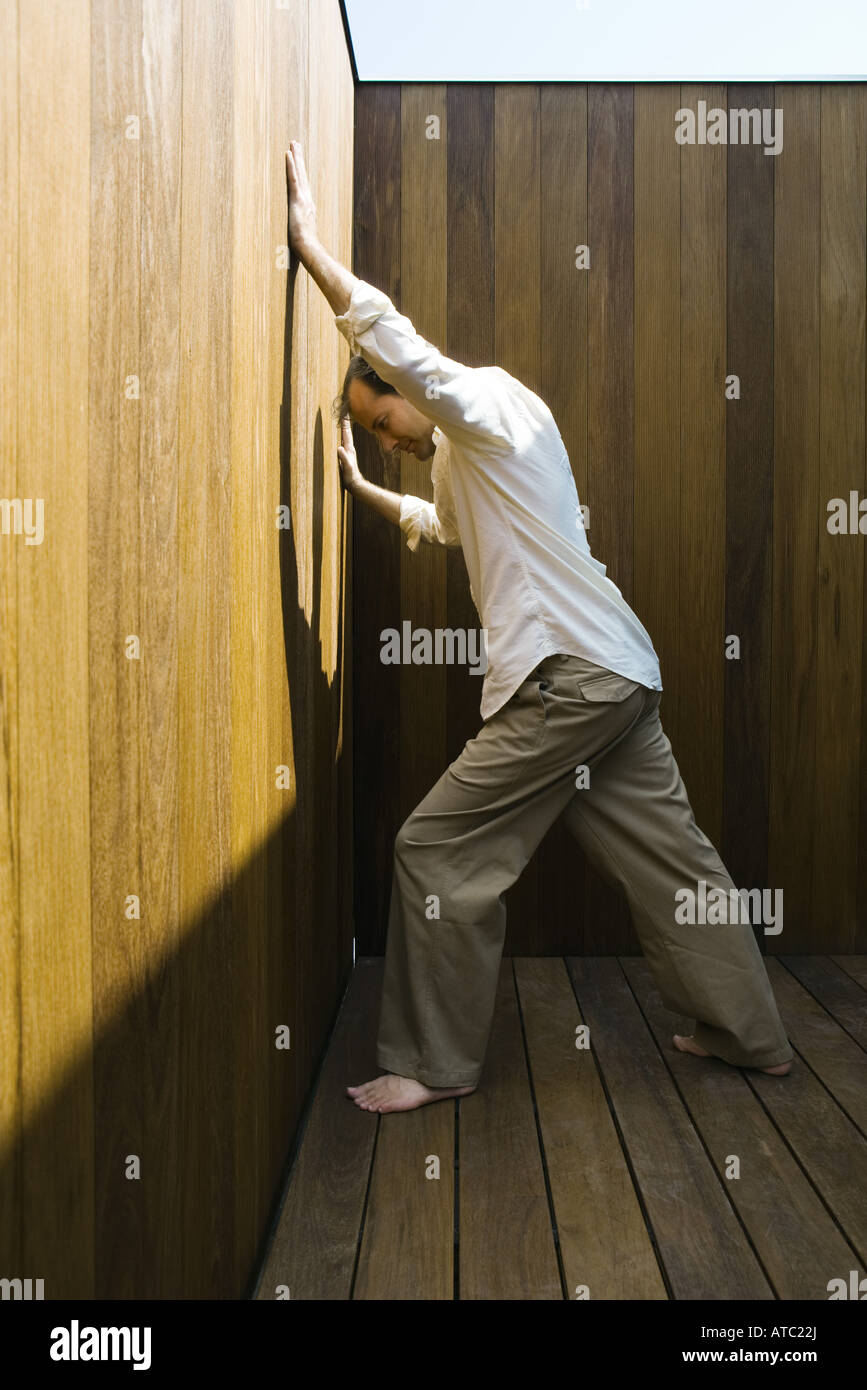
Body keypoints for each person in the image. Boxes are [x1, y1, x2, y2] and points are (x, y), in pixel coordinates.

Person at [285, 141, 794, 1115]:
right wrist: (362, 491)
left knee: (434, 850)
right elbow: (443, 526)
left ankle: (433, 1063)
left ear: (401, 393)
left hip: (568, 676)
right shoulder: (461, 466)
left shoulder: (487, 406)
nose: (389, 440)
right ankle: (752, 1035)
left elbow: (412, 355)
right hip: (620, 676)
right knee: (674, 862)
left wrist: (312, 253)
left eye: (378, 420)